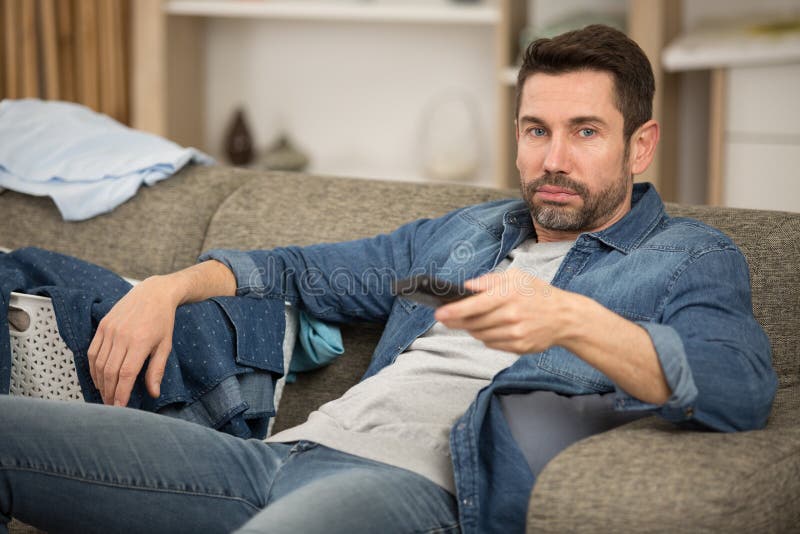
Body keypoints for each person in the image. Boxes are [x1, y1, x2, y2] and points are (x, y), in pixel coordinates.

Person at [0, 25, 776, 534]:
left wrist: (568, 319)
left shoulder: (688, 258)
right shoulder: (466, 232)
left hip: (407, 492)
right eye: (537, 130)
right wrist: (165, 288)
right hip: (278, 457)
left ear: (640, 147)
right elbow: (299, 269)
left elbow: (735, 387)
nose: (553, 160)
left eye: (585, 132)